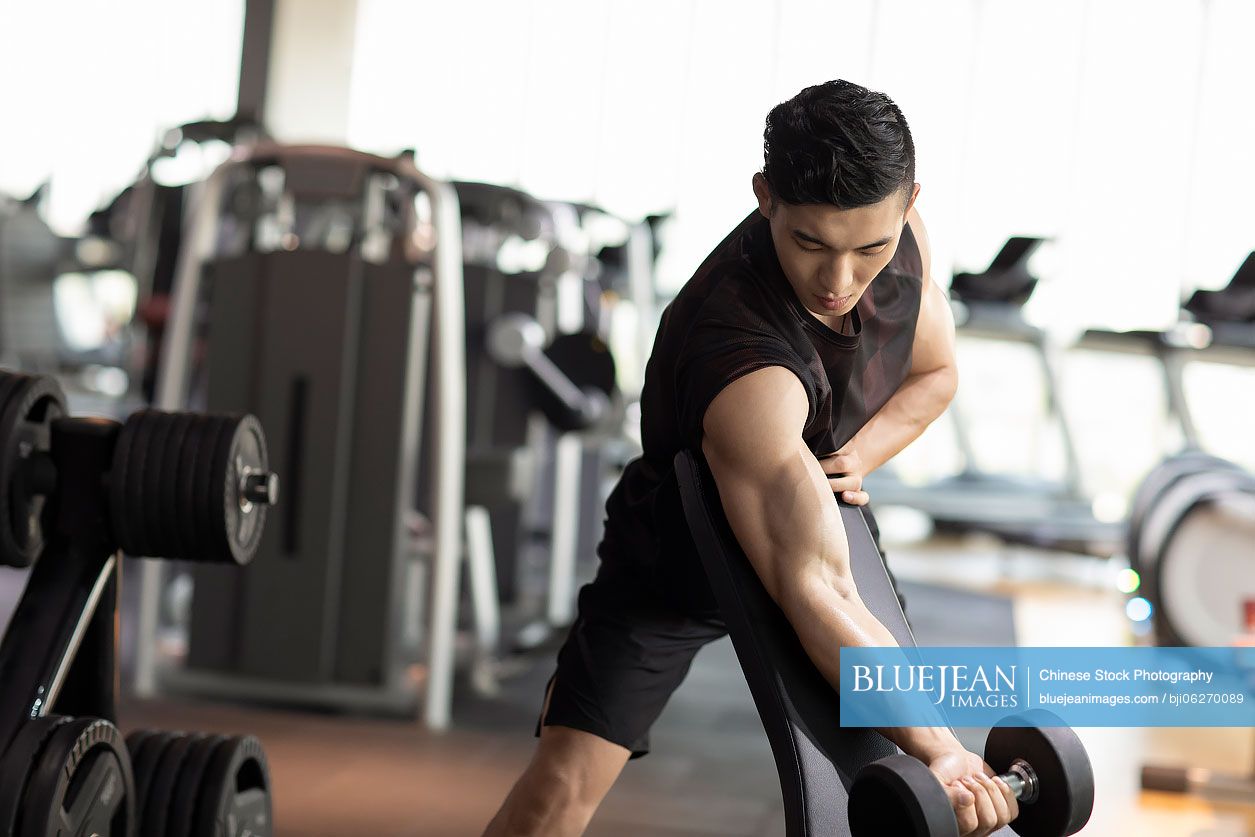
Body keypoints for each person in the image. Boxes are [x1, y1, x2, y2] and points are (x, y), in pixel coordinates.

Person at [483, 80, 1017, 837]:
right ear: (765, 197)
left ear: (908, 204)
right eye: (811, 244)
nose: (839, 282)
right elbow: (816, 588)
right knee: (556, 795)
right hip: (675, 566)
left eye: (868, 248)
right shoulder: (743, 362)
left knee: (879, 765)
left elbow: (935, 374)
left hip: (809, 519)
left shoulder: (901, 239)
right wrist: (944, 749)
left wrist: (856, 455)